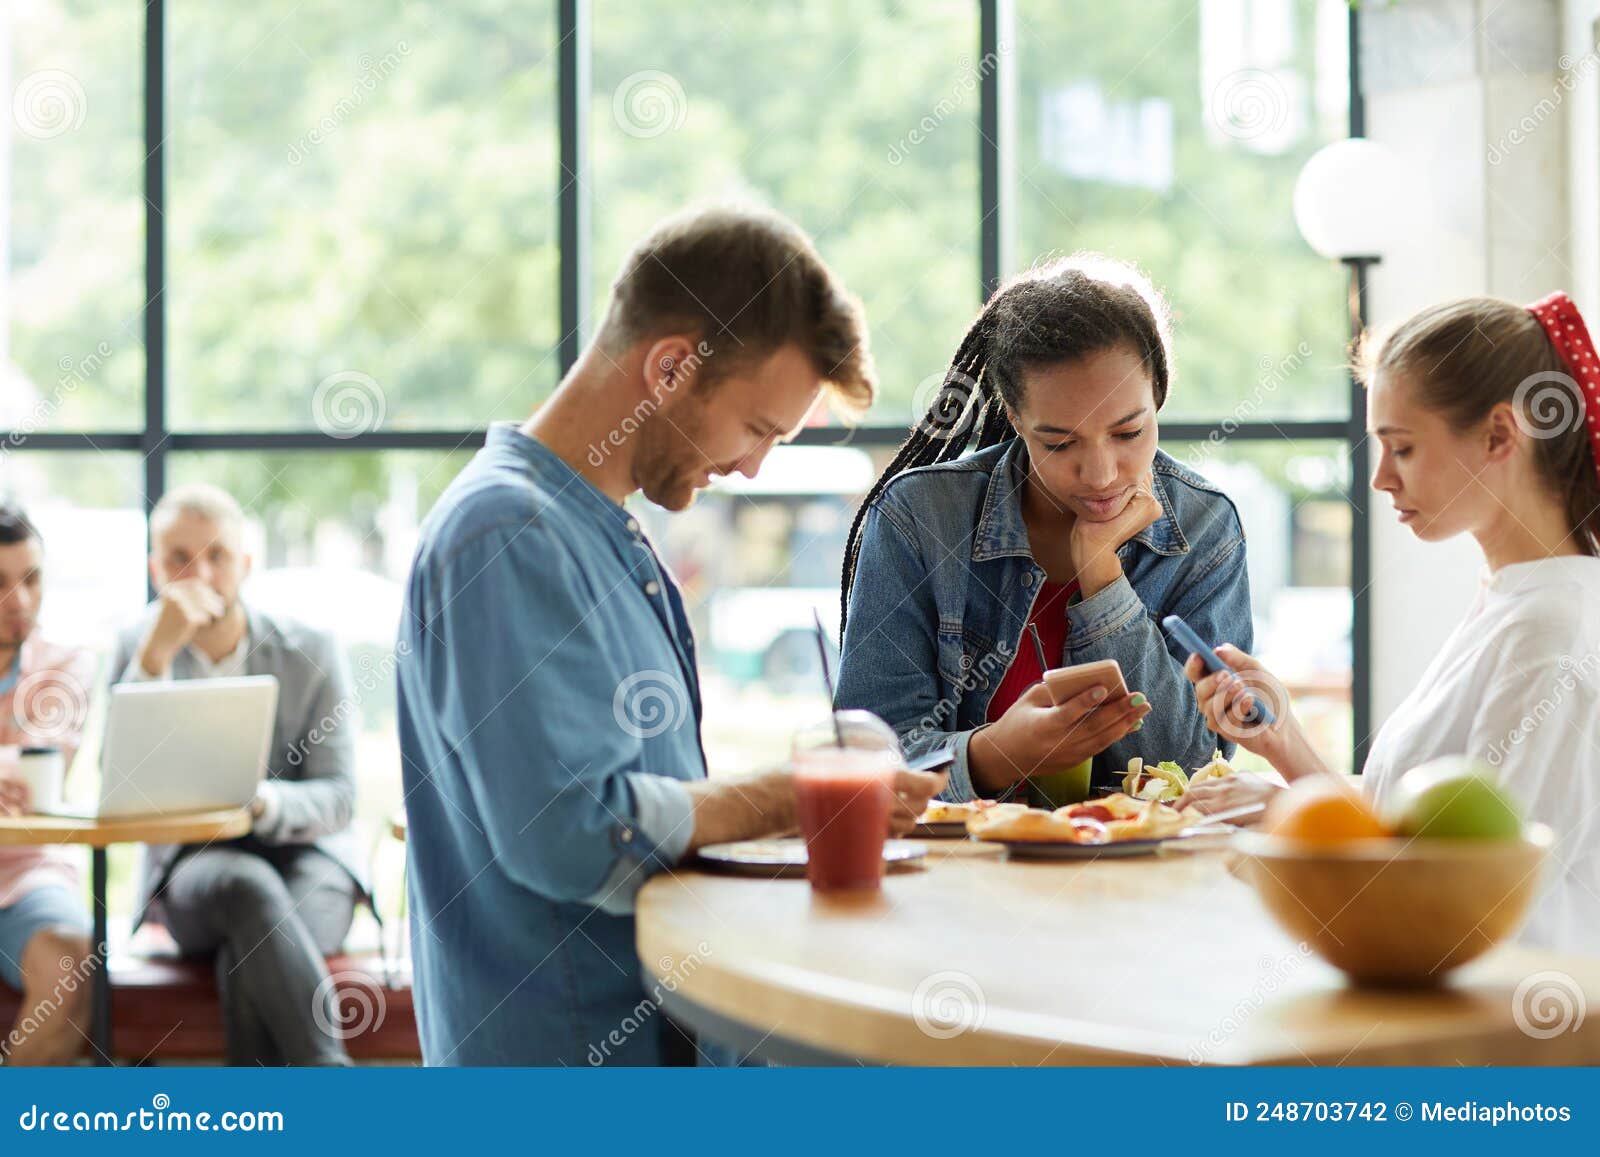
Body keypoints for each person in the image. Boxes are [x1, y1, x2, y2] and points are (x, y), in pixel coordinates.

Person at [397, 204, 947, 1066]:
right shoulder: (506, 535)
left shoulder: (599, 531)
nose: (755, 466)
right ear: (670, 367)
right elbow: (576, 831)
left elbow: (643, 797)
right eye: (759, 428)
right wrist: (793, 797)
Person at [1183, 292, 1600, 955]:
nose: (1379, 478)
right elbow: (1414, 836)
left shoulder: (1555, 629)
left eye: (1401, 448)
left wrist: (1286, 820)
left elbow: (1488, 897)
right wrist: (1284, 742)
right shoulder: (1513, 601)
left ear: (1499, 435)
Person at [834, 255, 1252, 804]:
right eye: (1058, 442)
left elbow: (1198, 769)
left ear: (1158, 399)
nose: (1101, 473)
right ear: (1012, 415)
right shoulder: (922, 517)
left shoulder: (1205, 528)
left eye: (1128, 432)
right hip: (958, 875)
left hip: (1141, 875)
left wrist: (1102, 579)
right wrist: (995, 753)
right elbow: (867, 760)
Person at [110, 484, 370, 1066]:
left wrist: (259, 805)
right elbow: (122, 791)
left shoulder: (311, 648)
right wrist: (152, 662)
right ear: (156, 569)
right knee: (250, 892)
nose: (200, 573)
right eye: (179, 557)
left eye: (217, 555)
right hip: (198, 871)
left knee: (251, 958)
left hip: (311, 863)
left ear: (247, 564)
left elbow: (340, 796)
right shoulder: (138, 647)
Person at [0, 505, 94, 1066]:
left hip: (27, 874)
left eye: (32, 579)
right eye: (0, 584)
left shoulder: (67, 665)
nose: (21, 601)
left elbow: (40, 772)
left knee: (71, 965)